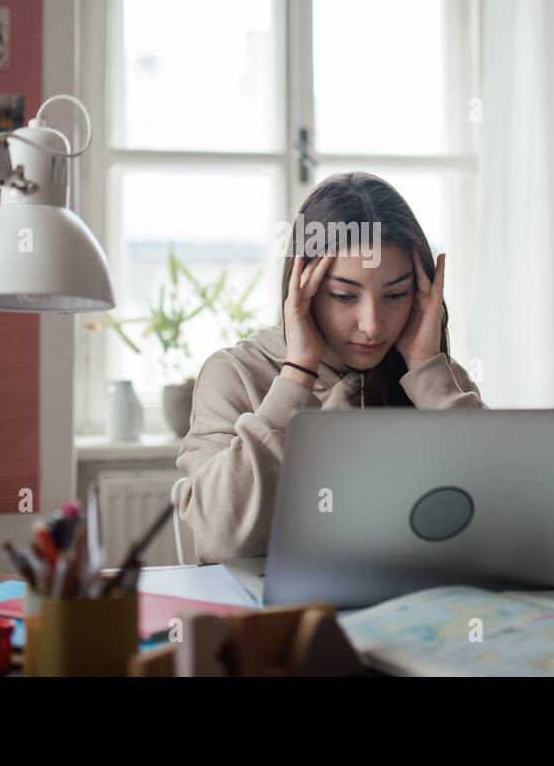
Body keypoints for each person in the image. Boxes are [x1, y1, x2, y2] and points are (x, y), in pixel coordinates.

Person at [175, 171, 485, 563]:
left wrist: (427, 369)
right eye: (343, 295)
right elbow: (220, 540)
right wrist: (296, 376)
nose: (372, 325)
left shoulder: (438, 379)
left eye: (396, 294)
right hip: (277, 620)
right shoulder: (235, 375)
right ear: (301, 288)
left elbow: (505, 516)